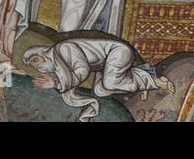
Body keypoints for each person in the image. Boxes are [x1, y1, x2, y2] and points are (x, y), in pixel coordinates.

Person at [23, 37, 172, 121]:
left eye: (36, 60)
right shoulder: (57, 59)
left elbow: (82, 70)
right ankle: (140, 78)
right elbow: (69, 75)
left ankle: (153, 79)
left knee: (110, 82)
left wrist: (56, 82)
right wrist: (57, 80)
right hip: (104, 63)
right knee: (100, 91)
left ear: (43, 52)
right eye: (33, 65)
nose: (38, 67)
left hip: (117, 52)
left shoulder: (63, 49)